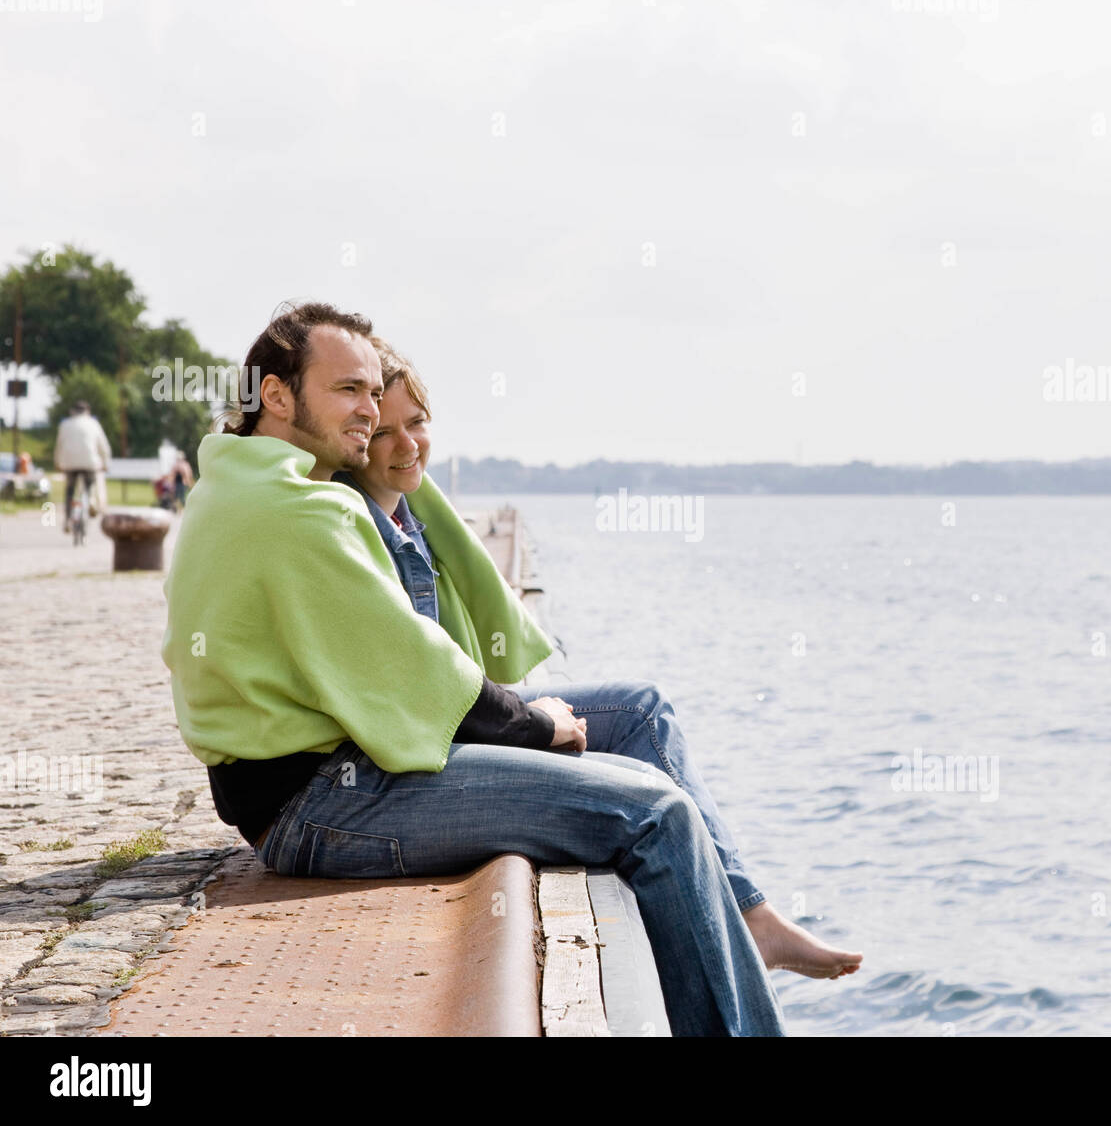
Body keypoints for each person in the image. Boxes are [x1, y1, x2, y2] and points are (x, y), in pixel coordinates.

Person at [161, 304, 823, 1036]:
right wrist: (537, 725)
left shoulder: (241, 485)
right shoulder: (297, 511)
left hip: (313, 783)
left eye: (374, 393)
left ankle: (745, 931)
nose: (369, 410)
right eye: (349, 390)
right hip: (321, 804)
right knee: (656, 814)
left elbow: (398, 666)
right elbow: (418, 674)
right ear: (278, 396)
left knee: (642, 745)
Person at [339, 335, 863, 983]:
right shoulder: (358, 526)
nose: (408, 445)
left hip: (449, 711)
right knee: (646, 801)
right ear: (356, 443)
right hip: (419, 743)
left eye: (417, 423)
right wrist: (538, 726)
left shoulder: (412, 514)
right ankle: (729, 941)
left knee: (642, 711)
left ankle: (750, 913)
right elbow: (420, 695)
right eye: (385, 432)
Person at [53, 400, 111, 531]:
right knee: (89, 484)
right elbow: (103, 447)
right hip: (90, 462)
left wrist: (57, 463)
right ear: (87, 412)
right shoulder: (94, 424)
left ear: (73, 411)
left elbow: (59, 446)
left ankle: (68, 520)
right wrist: (106, 464)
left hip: (69, 463)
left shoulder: (65, 424)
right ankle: (90, 501)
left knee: (69, 491)